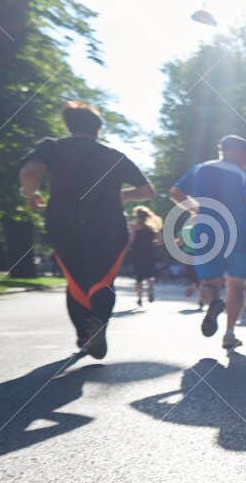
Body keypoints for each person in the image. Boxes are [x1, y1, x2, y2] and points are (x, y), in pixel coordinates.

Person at [19, 102, 154, 359]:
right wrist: (119, 195)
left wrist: (30, 195)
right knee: (103, 280)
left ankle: (84, 333)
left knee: (76, 280)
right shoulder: (113, 155)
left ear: (68, 125)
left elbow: (29, 172)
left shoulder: (53, 147)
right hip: (108, 224)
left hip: (64, 222)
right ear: (98, 129)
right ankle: (99, 323)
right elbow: (147, 191)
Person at [168, 135, 246, 351]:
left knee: (210, 281)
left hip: (207, 229)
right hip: (239, 232)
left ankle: (214, 303)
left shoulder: (199, 169)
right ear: (235, 151)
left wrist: (197, 209)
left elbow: (175, 193)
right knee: (237, 284)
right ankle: (229, 333)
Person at [128, 206, 163, 306]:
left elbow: (131, 240)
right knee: (150, 274)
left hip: (137, 254)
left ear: (136, 215)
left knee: (138, 277)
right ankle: (150, 289)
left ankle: (139, 298)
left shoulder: (133, 226)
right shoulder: (152, 228)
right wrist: (151, 243)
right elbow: (160, 242)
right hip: (150, 253)